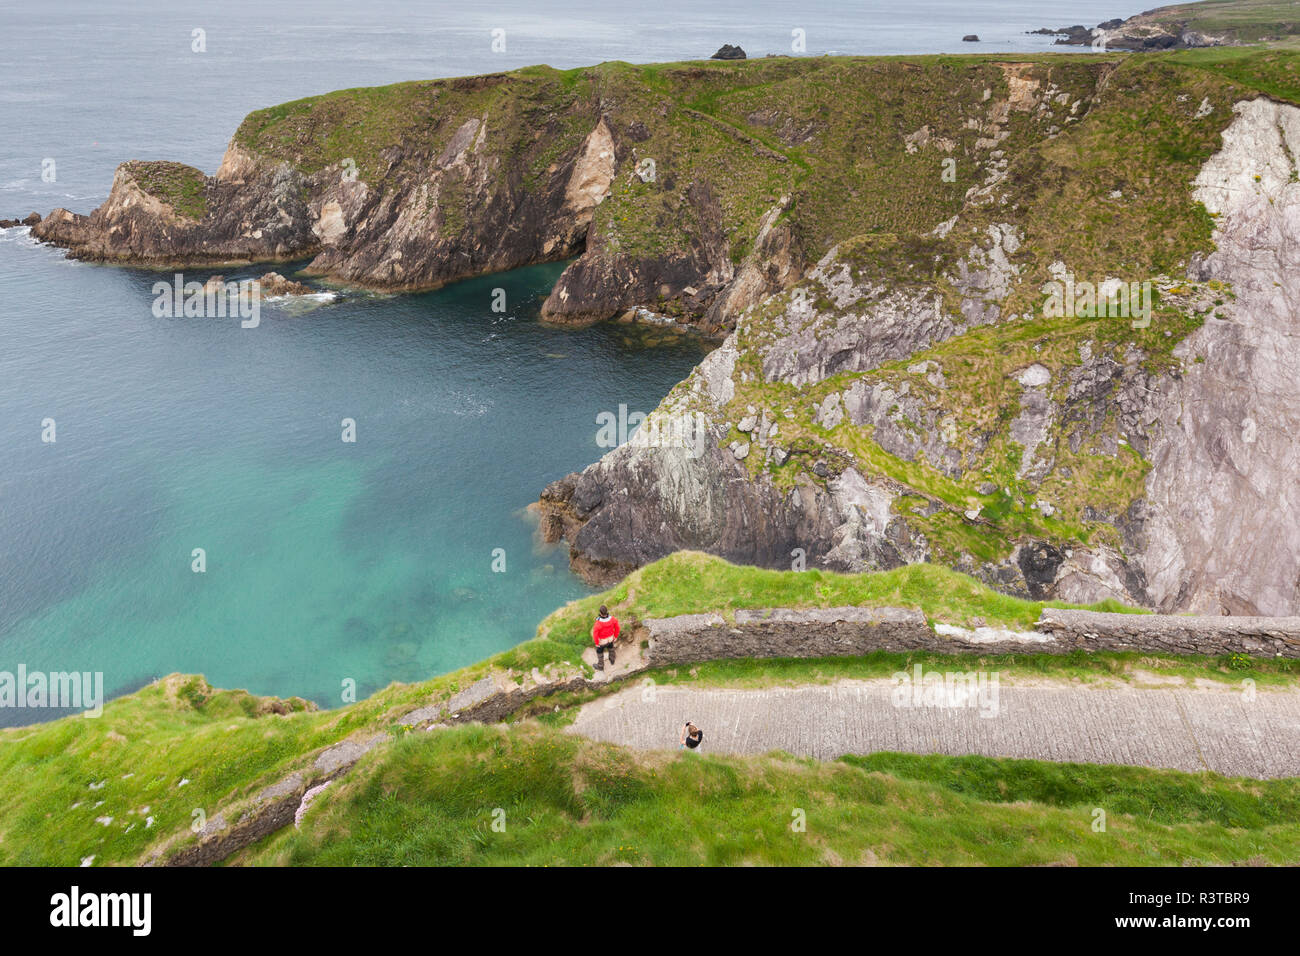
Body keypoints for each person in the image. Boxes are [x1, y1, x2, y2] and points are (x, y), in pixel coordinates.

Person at [591, 605, 619, 671]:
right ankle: (612, 660)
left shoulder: (598, 623)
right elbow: (617, 628)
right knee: (611, 649)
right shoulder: (613, 619)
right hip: (610, 639)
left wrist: (597, 643)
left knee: (599, 652)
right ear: (607, 612)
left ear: (600, 613)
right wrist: (615, 636)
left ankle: (600, 666)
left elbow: (595, 634)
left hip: (602, 641)